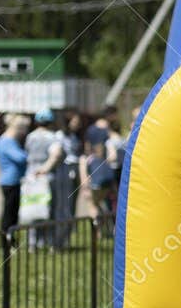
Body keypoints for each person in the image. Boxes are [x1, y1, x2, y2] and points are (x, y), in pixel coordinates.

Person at [23, 109, 64, 250]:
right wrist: (45, 168)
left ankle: (32, 243)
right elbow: (56, 155)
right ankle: (51, 243)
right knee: (50, 211)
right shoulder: (53, 137)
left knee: (32, 209)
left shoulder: (30, 137)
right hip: (47, 178)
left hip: (31, 177)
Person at [84, 105, 121, 236]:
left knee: (94, 203)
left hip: (95, 167)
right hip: (108, 170)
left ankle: (98, 231)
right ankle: (110, 229)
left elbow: (87, 148)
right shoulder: (109, 130)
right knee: (111, 202)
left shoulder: (91, 129)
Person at [52, 111, 85, 248]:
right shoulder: (59, 136)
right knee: (64, 207)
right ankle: (58, 241)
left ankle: (64, 239)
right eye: (75, 121)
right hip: (65, 172)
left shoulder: (73, 136)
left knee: (71, 207)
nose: (78, 125)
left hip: (74, 172)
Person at [0, 113, 30, 237]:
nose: (24, 132)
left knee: (13, 213)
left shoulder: (10, 141)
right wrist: (29, 155)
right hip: (10, 182)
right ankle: (6, 239)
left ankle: (11, 238)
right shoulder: (7, 141)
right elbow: (20, 157)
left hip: (14, 181)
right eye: (24, 129)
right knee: (9, 214)